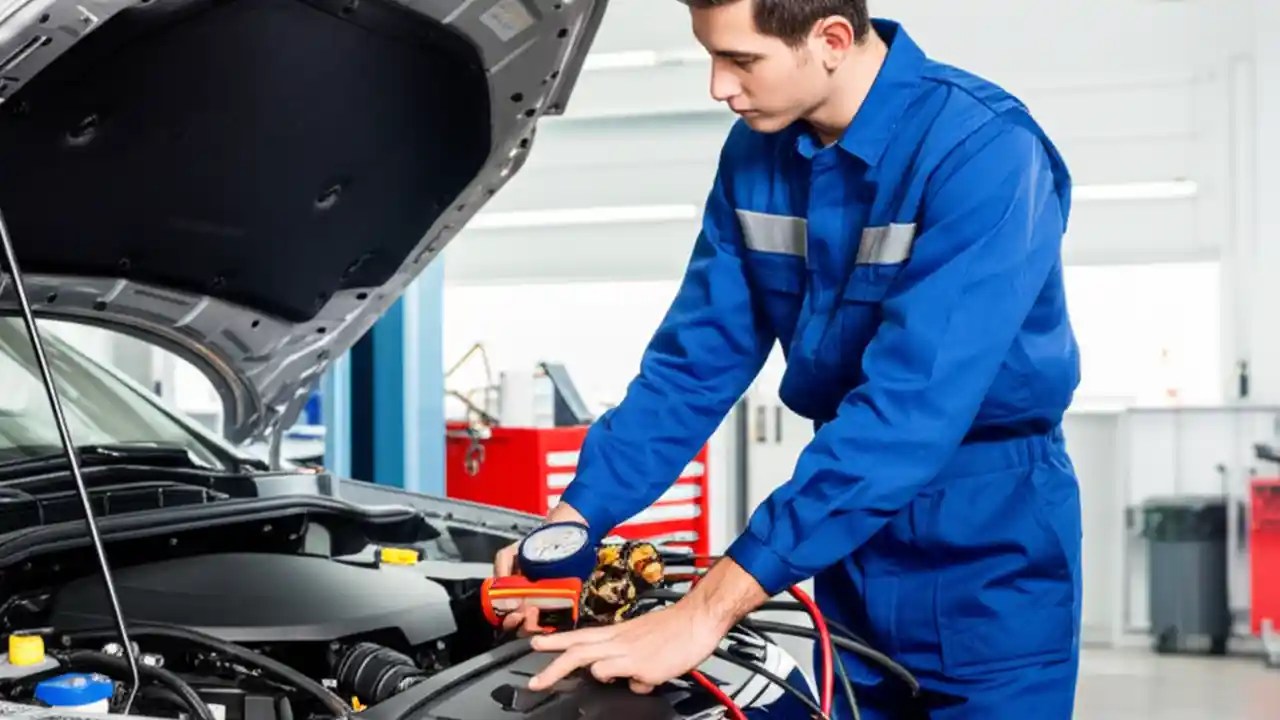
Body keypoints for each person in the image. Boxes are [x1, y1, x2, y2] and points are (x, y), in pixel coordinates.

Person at [491, 1, 1082, 718]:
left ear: (831, 39)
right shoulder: (756, 156)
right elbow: (691, 368)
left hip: (989, 542)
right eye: (711, 56)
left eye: (741, 60)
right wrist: (574, 521)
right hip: (849, 536)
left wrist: (705, 611)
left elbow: (909, 412)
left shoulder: (981, 151)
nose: (718, 86)